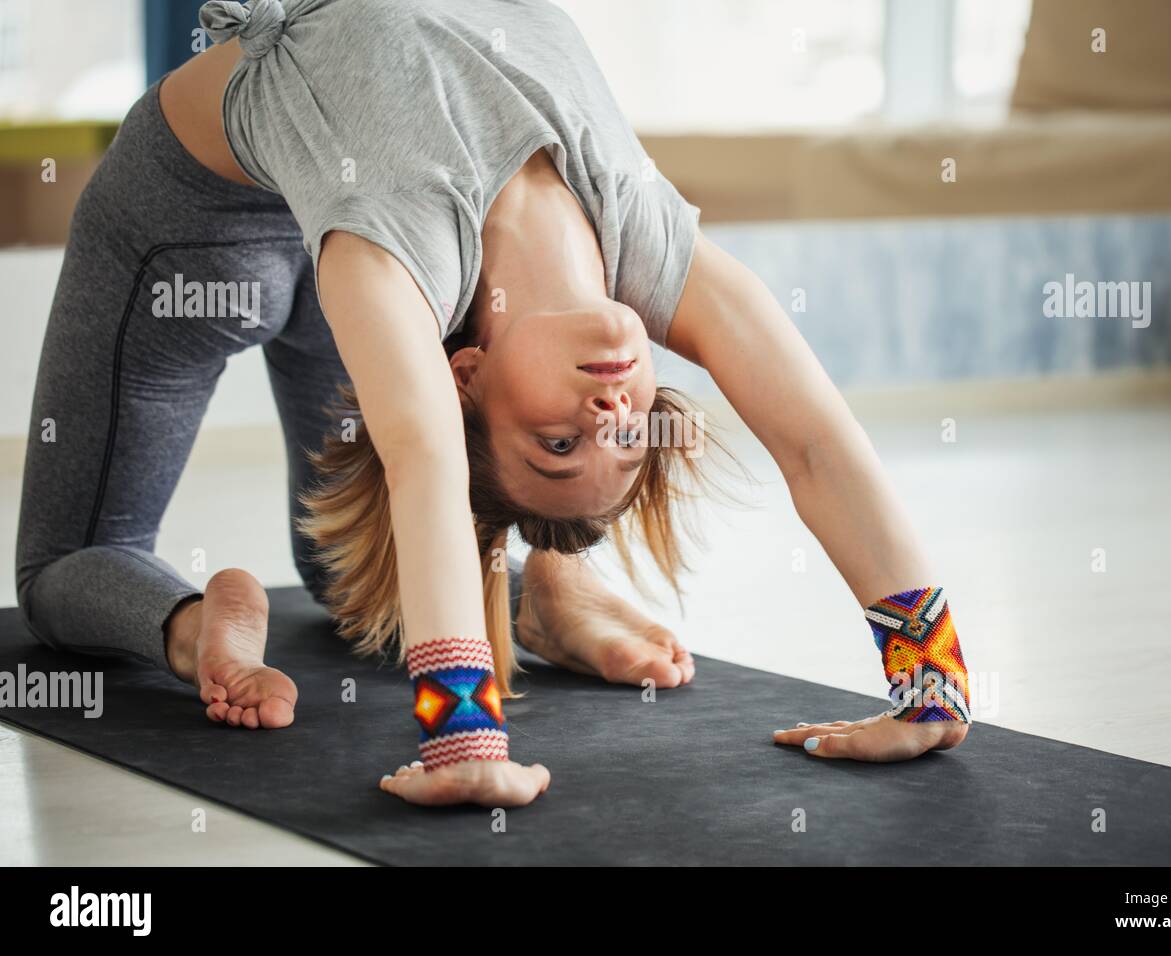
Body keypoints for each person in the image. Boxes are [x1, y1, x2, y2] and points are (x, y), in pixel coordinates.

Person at [15, 0, 969, 811]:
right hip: (219, 214)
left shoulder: (399, 248)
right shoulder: (638, 236)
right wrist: (933, 681)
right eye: (632, 431)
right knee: (289, 572)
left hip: (249, 234)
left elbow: (425, 457)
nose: (610, 413)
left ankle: (190, 631)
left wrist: (464, 741)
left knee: (86, 567)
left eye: (558, 442)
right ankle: (535, 600)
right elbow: (811, 436)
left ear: (462, 373)